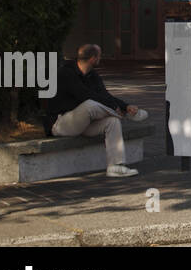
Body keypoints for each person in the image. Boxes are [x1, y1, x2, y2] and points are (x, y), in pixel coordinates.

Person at [46, 44, 148, 178]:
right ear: (93, 58)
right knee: (90, 104)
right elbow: (84, 95)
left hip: (84, 124)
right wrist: (115, 108)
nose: (101, 58)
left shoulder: (92, 75)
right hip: (62, 124)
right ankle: (126, 115)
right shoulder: (66, 73)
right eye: (99, 55)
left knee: (112, 121)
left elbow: (105, 96)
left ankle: (115, 166)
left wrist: (125, 106)